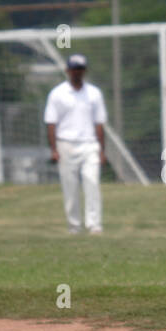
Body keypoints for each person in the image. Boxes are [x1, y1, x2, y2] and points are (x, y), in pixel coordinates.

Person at [44, 53, 107, 234]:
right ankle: (74, 225)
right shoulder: (57, 94)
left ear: (84, 71)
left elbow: (99, 123)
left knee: (92, 183)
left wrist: (102, 151)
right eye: (74, 69)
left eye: (80, 69)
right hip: (66, 144)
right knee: (70, 187)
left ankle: (94, 224)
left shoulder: (94, 94)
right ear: (68, 70)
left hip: (89, 144)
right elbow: (51, 123)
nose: (77, 72)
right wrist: (54, 149)